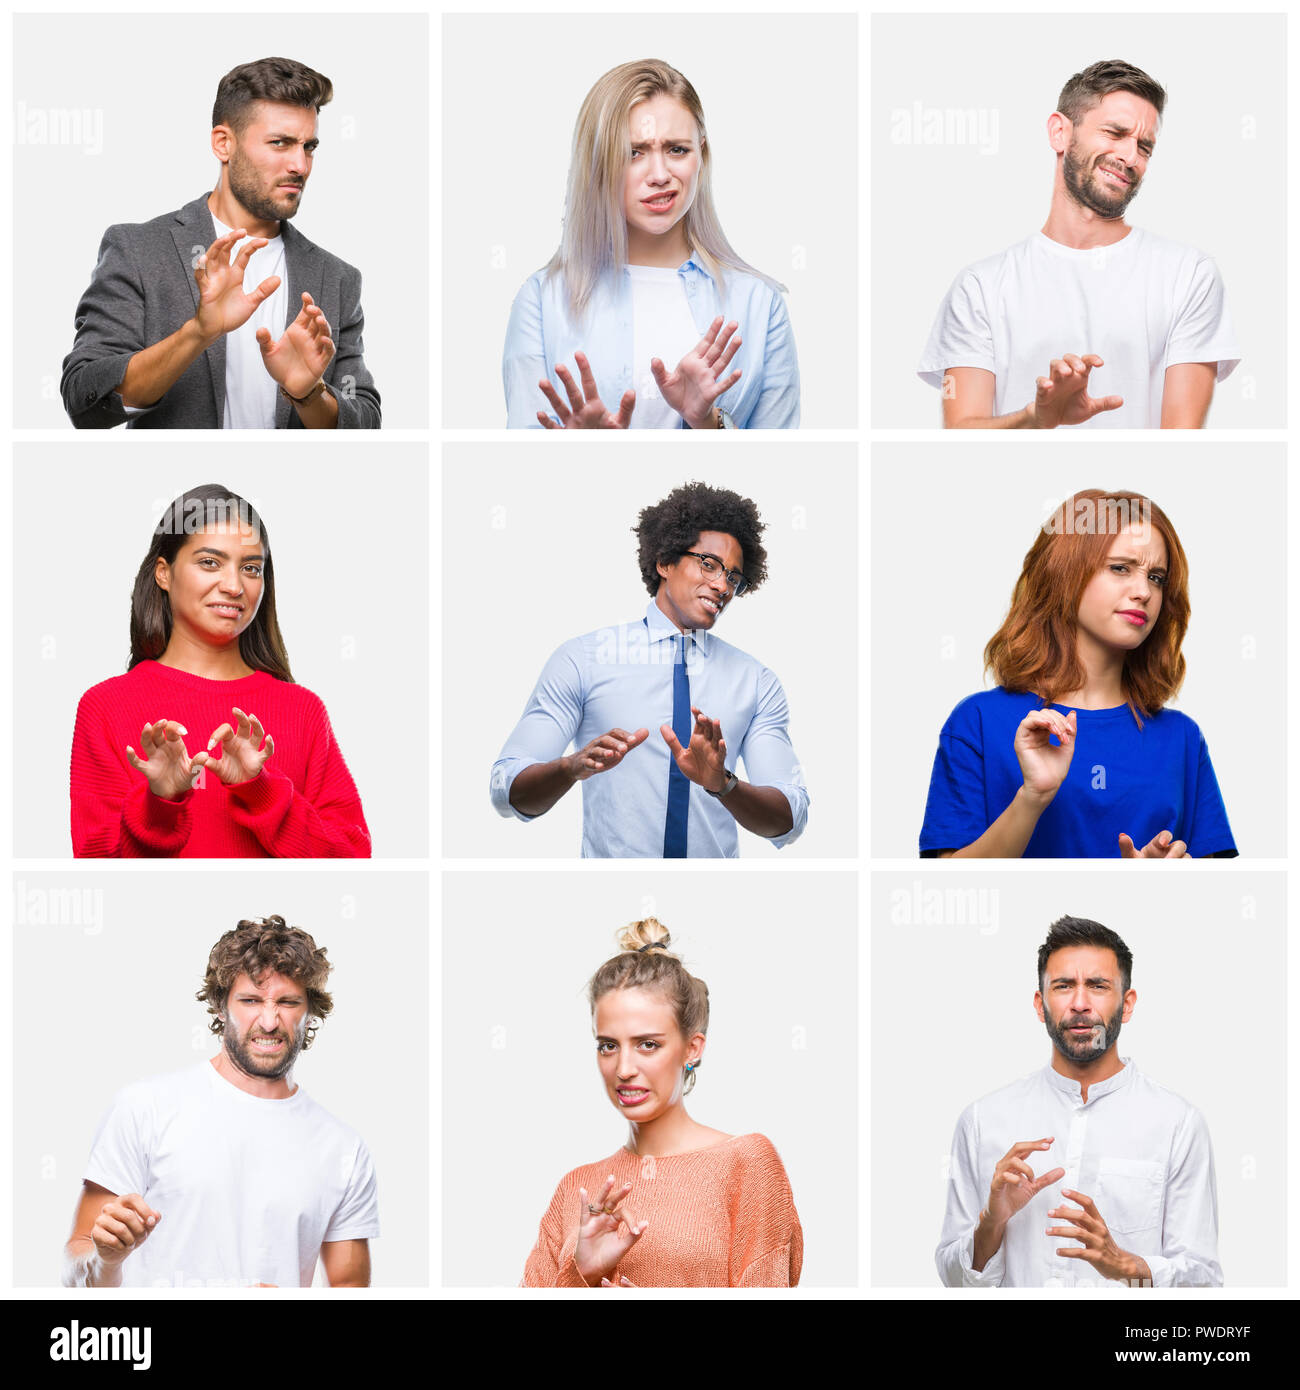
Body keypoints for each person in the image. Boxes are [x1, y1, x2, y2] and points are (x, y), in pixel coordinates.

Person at [491, 481, 808, 857]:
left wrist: (723, 784)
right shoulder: (583, 659)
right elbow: (506, 789)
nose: (722, 585)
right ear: (664, 562)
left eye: (734, 577)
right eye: (709, 564)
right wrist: (569, 768)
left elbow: (790, 818)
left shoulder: (756, 682)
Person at [61, 56, 380, 429]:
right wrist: (199, 332)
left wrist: (309, 394)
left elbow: (367, 422)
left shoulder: (337, 277)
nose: (301, 165)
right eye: (281, 143)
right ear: (223, 143)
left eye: (309, 147)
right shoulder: (138, 250)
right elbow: (84, 396)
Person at [918, 59, 1239, 429]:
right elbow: (961, 438)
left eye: (1145, 147)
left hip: (1138, 489)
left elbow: (1181, 445)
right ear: (1059, 132)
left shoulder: (1188, 275)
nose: (1130, 157)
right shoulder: (980, 286)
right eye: (1115, 133)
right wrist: (1035, 419)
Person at [62, 916, 379, 1288]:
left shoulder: (344, 1148)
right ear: (220, 1007)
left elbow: (351, 1289)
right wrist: (105, 1258)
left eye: (288, 1002)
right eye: (250, 1000)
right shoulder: (144, 1109)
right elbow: (76, 1268)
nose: (269, 1019)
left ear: (310, 1013)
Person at [919, 489, 1235, 858]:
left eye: (1157, 577)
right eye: (1120, 568)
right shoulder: (979, 722)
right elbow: (949, 887)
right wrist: (1032, 798)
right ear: (1064, 573)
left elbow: (1220, 891)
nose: (1143, 592)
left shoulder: (1182, 738)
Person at [70, 484, 371, 857]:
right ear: (164, 573)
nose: (233, 586)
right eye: (210, 562)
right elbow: (100, 877)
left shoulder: (304, 710)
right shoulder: (105, 706)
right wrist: (159, 804)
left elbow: (351, 861)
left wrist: (259, 790)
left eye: (250, 568)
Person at [502, 58, 799, 429]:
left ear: (701, 155)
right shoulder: (542, 302)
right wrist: (576, 452)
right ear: (597, 164)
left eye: (677, 150)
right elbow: (522, 467)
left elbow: (773, 471)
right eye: (633, 153)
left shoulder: (760, 304)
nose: (660, 175)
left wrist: (708, 422)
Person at [936, 915, 1221, 1287]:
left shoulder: (1178, 1124)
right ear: (1041, 1005)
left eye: (1098, 986)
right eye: (1064, 986)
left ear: (1128, 1003)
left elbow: (1204, 1280)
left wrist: (1129, 1266)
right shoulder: (982, 1121)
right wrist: (991, 1224)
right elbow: (953, 1282)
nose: (1081, 1003)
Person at [522, 918, 802, 1287]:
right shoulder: (576, 1189)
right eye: (608, 1045)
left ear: (692, 1048)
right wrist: (582, 1274)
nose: (623, 1069)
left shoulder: (747, 1166)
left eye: (647, 1044)